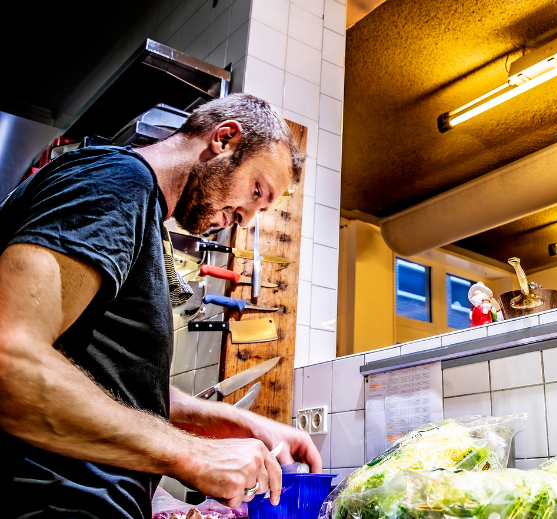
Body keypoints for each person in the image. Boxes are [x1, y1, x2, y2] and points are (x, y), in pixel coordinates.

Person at [0, 93, 322, 517]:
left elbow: (114, 388)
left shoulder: (140, 210)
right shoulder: (118, 181)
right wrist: (193, 455)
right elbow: (9, 359)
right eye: (256, 190)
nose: (246, 218)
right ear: (224, 138)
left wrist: (240, 423)